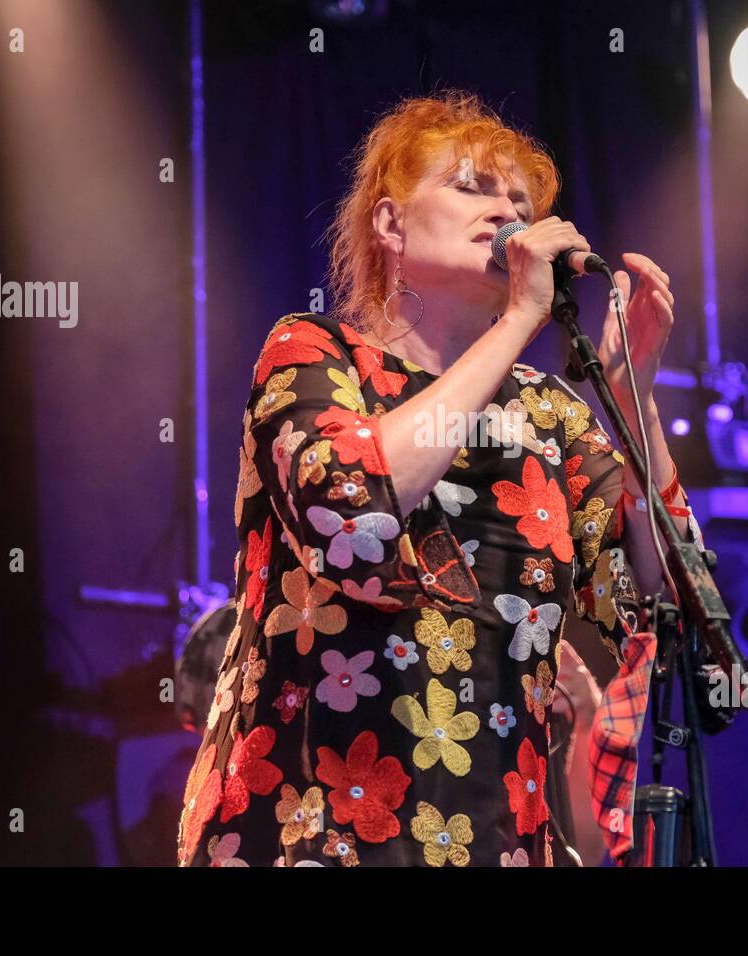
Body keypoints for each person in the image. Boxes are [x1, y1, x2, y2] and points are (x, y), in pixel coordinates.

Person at [178, 90, 692, 867]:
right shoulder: (315, 353)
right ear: (389, 225)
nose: (508, 211)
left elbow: (667, 596)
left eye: (520, 198)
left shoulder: (550, 414)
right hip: (308, 827)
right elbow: (353, 520)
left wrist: (631, 399)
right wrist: (520, 318)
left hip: (495, 839)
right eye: (472, 187)